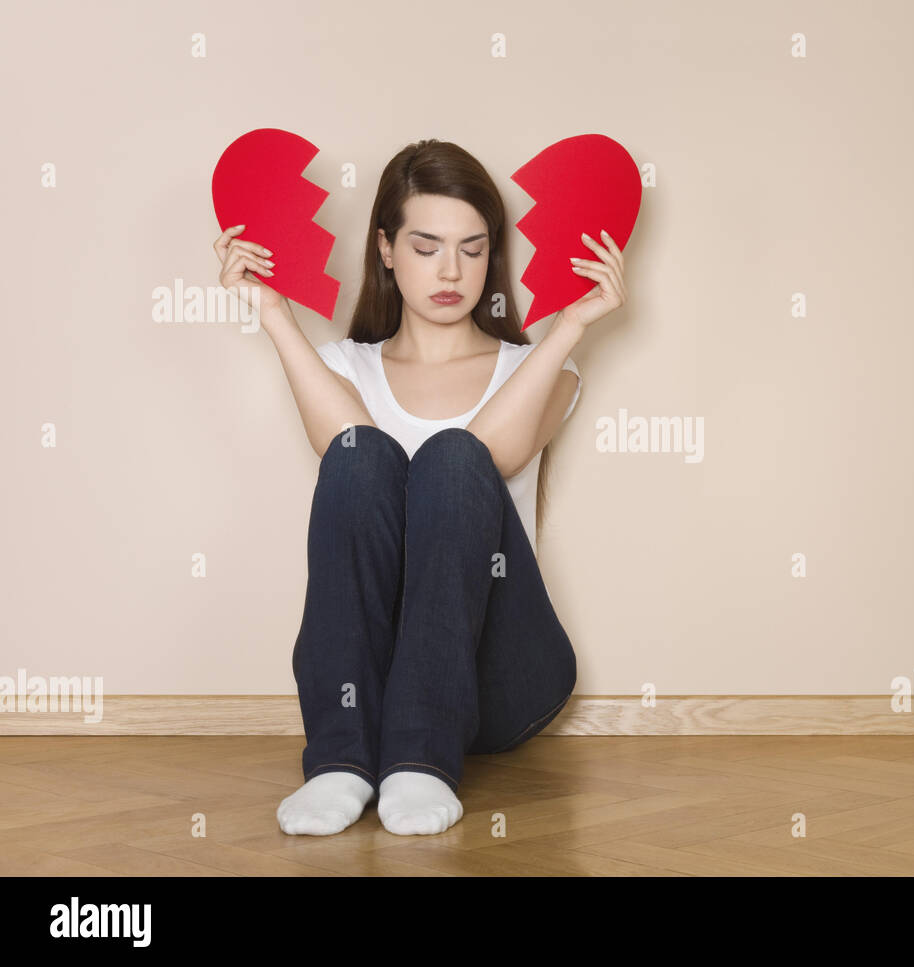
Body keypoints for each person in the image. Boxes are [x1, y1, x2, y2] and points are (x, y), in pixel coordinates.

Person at [211, 138, 627, 836]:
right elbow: (344, 453)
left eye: (473, 247)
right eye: (426, 245)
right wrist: (274, 315)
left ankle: (423, 759)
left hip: (500, 674)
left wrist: (572, 325)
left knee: (455, 458)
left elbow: (485, 457)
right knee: (358, 453)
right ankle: (343, 759)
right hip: (368, 680)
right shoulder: (344, 368)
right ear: (385, 248)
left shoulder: (542, 371)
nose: (451, 270)